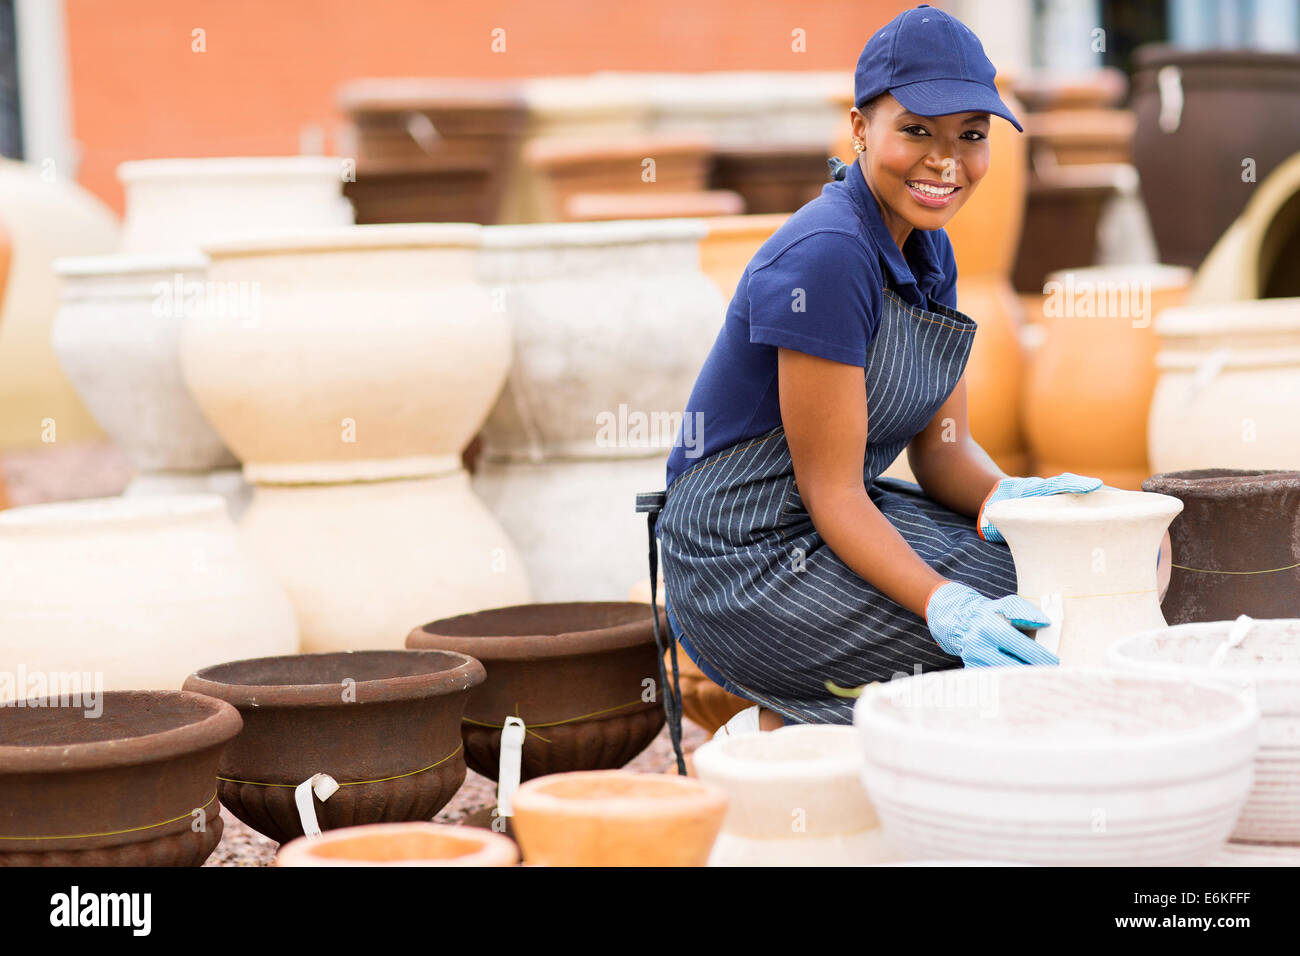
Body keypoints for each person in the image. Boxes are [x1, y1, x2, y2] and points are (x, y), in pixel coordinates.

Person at [638, 5, 1172, 740]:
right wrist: (945, 606)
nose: (946, 161)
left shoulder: (931, 250)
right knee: (1051, 619)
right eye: (917, 130)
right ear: (860, 129)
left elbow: (943, 450)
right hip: (745, 559)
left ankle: (811, 733)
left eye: (971, 136)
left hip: (827, 521)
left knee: (1093, 563)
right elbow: (832, 494)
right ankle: (806, 747)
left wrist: (1013, 501)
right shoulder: (826, 257)